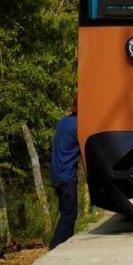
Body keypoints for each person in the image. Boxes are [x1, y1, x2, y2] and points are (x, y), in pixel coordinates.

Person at [49, 95, 80, 249]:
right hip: (67, 176)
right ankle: (55, 246)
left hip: (56, 173)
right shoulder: (79, 125)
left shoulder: (62, 122)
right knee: (70, 215)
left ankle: (66, 246)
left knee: (65, 212)